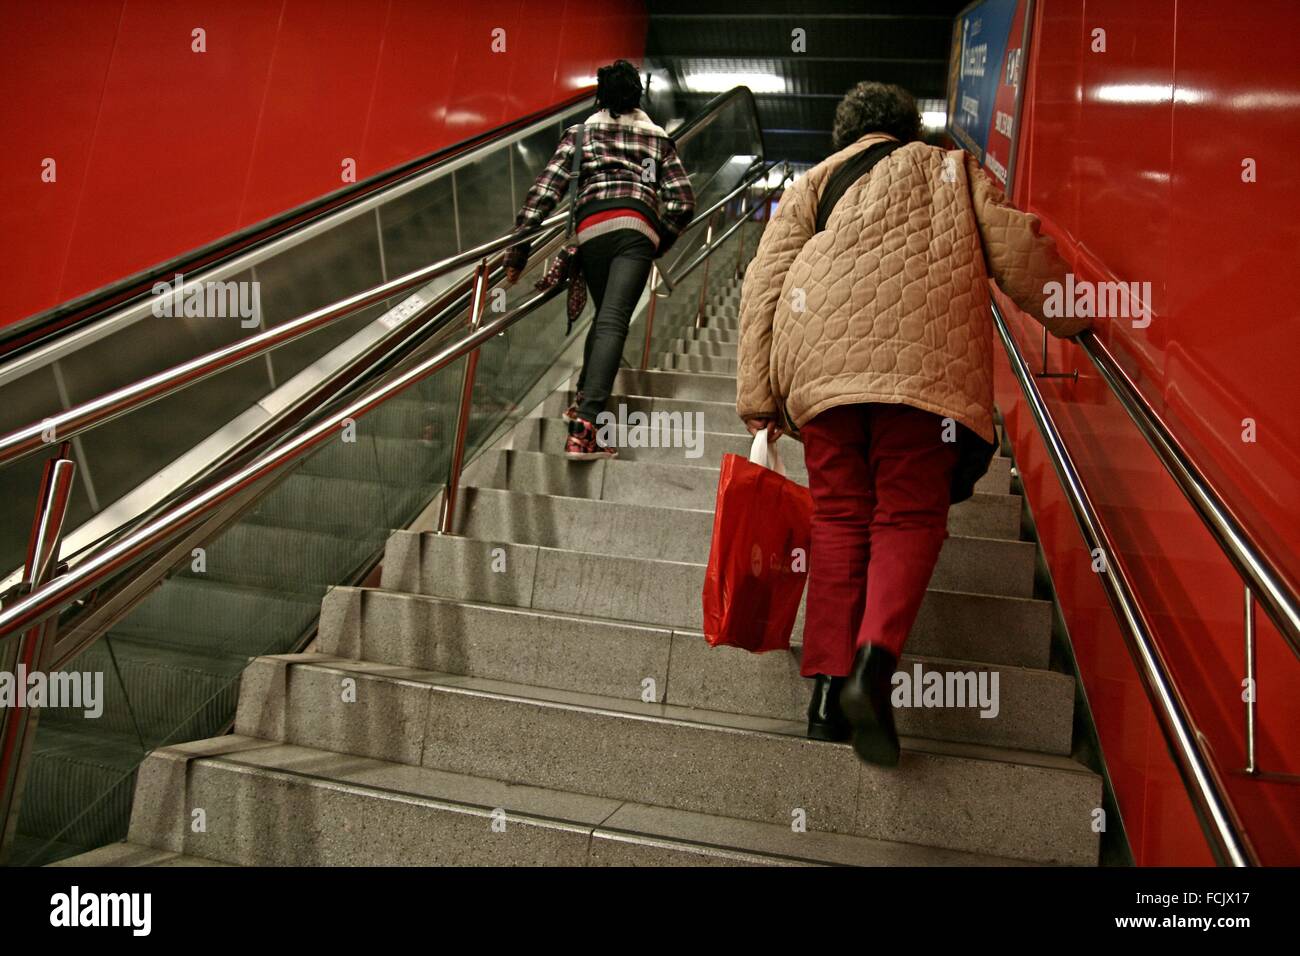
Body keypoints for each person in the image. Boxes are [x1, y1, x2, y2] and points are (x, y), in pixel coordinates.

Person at [735, 81, 1089, 766]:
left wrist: (758, 395)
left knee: (839, 518)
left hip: (821, 368)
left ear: (846, 132)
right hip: (924, 369)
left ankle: (827, 698)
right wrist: (1081, 311)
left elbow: (763, 284)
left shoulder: (813, 183)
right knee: (906, 515)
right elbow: (1018, 251)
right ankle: (874, 663)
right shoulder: (952, 169)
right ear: (907, 128)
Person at [504, 59, 695, 459]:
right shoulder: (657, 139)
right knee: (612, 321)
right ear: (637, 96)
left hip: (592, 230)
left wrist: (518, 251)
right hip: (637, 230)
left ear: (600, 95)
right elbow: (682, 201)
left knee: (604, 318)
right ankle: (586, 428)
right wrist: (659, 240)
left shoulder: (580, 134)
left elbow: (543, 193)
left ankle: (580, 405)